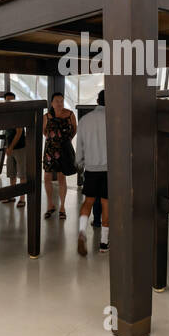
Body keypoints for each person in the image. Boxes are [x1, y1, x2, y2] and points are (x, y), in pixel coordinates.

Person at [74, 90, 109, 255]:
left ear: (97, 100)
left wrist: (80, 164)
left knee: (88, 201)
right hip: (109, 169)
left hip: (91, 169)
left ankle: (82, 232)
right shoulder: (114, 120)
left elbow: (79, 147)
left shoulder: (84, 120)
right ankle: (103, 243)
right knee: (106, 204)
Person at [42, 91, 77, 219]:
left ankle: (62, 207)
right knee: (47, 177)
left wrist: (66, 141)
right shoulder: (46, 116)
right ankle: (50, 205)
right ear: (51, 103)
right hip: (50, 150)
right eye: (56, 101)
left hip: (64, 150)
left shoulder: (70, 114)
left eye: (61, 101)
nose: (59, 103)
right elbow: (44, 132)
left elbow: (74, 129)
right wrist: (53, 140)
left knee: (62, 177)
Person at [2, 92, 27, 208]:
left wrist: (10, 147)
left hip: (20, 147)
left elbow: (19, 132)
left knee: (22, 174)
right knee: (12, 173)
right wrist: (8, 147)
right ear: (5, 101)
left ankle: (22, 198)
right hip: (10, 148)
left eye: (12, 100)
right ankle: (12, 195)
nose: (10, 102)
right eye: (8, 100)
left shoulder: (18, 114)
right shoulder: (5, 114)